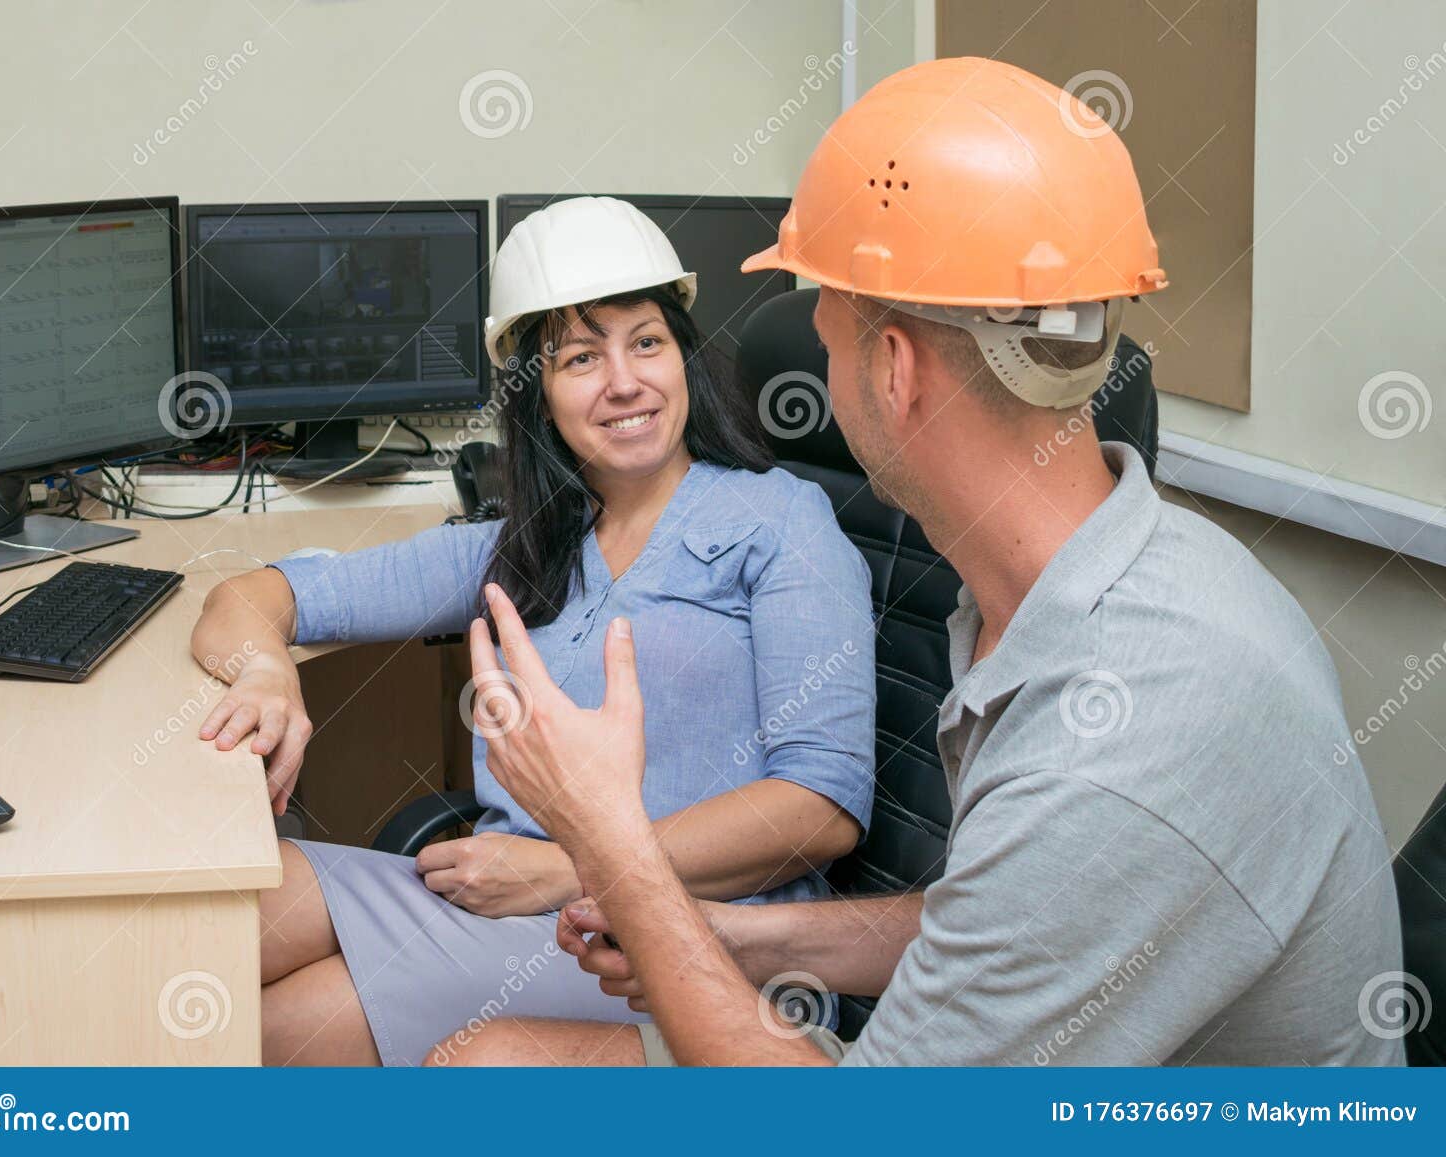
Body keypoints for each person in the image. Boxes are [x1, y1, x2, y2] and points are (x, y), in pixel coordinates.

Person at [431, 59, 1405, 1067]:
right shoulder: (1069, 589)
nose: (803, 333)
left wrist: (607, 838)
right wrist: (736, 935)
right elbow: (994, 917)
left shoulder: (1132, 727)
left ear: (892, 369)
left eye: (825, 312)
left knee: (483, 1069)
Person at [189, 196, 876, 1066]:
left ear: (684, 358)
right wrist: (266, 673)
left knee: (269, 1028)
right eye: (582, 357)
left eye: (648, 342)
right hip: (506, 895)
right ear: (536, 394)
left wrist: (574, 869)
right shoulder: (523, 543)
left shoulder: (781, 521)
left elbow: (821, 811)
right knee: (210, 908)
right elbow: (251, 598)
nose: (624, 381)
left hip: (664, 932)